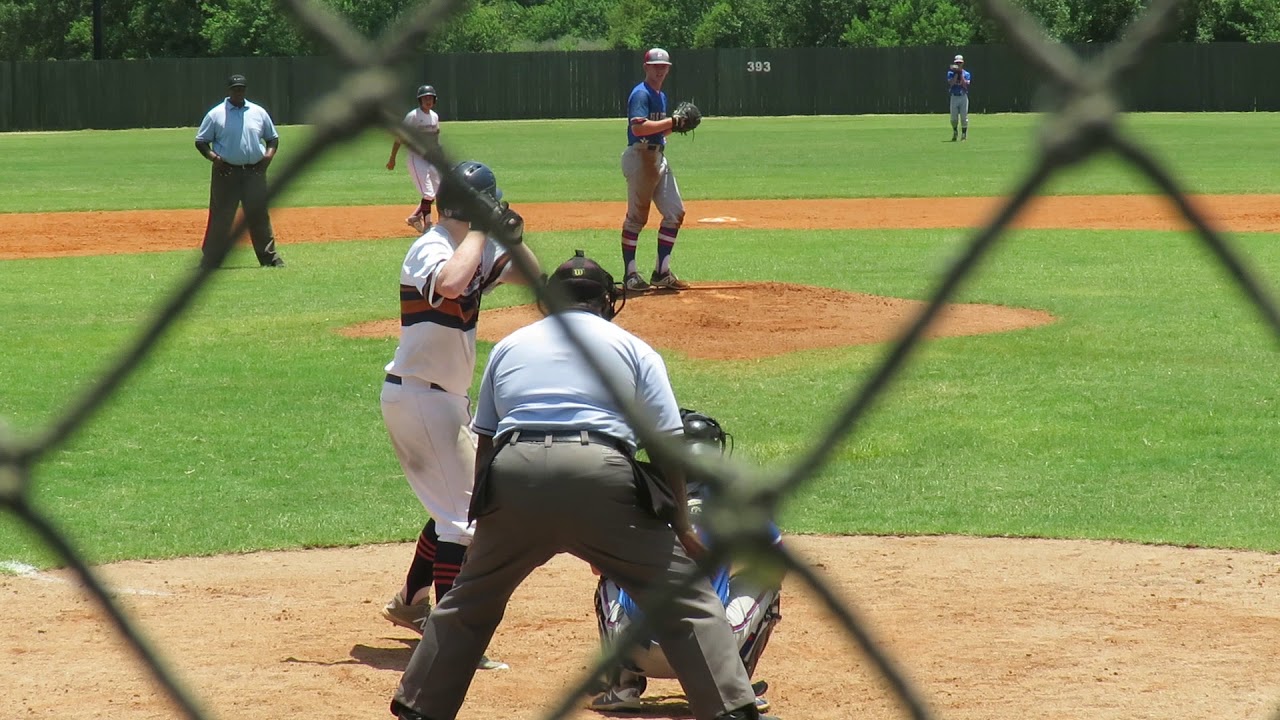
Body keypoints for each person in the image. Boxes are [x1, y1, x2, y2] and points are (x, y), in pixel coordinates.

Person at [389, 252, 777, 720]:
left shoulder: (511, 346)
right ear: (608, 301)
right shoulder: (632, 347)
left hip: (516, 473)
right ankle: (731, 710)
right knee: (686, 599)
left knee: (470, 600)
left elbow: (487, 441)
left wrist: (482, 523)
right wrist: (680, 523)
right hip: (601, 474)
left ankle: (418, 708)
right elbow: (667, 444)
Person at [378, 159, 539, 673]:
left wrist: (510, 237)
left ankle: (409, 603)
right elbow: (448, 285)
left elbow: (529, 275)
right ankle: (454, 640)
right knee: (465, 518)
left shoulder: (470, 247)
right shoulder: (433, 246)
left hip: (439, 398)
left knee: (454, 506)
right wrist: (482, 228)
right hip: (422, 397)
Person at [590, 409, 784, 715]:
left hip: (640, 651)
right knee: (767, 583)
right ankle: (735, 689)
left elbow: (598, 566)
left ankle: (622, 687)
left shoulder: (636, 494)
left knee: (609, 577)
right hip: (712, 652)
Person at [194, 73, 285, 269]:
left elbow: (272, 138)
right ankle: (211, 259)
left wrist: (268, 157)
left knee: (259, 215)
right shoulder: (216, 114)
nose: (239, 92)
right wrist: (215, 159)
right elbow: (201, 141)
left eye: (242, 88)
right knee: (221, 216)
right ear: (229, 90)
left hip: (255, 172)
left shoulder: (258, 112)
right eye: (235, 88)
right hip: (226, 172)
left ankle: (269, 258)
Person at [619, 47, 690, 293]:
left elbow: (658, 130)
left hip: (658, 156)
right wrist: (672, 121)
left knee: (675, 212)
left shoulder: (661, 95)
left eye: (664, 67)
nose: (660, 70)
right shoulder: (640, 94)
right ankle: (630, 276)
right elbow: (638, 129)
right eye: (655, 66)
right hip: (640, 157)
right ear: (646, 67)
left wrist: (678, 126)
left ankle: (661, 272)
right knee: (636, 219)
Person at [387, 85, 443, 234]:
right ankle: (428, 225)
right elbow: (399, 137)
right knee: (429, 194)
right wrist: (392, 158)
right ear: (420, 100)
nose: (428, 100)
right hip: (416, 159)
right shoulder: (413, 116)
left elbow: (436, 139)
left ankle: (414, 218)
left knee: (439, 191)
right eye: (425, 98)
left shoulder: (434, 116)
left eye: (430, 97)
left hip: (431, 159)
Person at [947, 54, 971, 142]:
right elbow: (951, 83)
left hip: (963, 96)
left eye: (960, 63)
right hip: (954, 96)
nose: (958, 64)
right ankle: (955, 131)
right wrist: (956, 74)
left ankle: (964, 134)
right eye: (957, 63)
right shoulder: (950, 73)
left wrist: (961, 74)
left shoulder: (966, 73)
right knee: (953, 118)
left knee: (964, 117)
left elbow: (965, 85)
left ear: (963, 63)